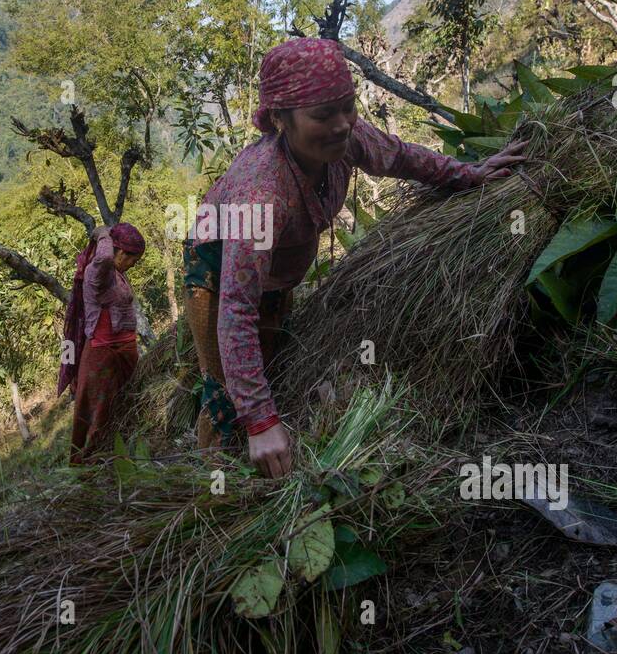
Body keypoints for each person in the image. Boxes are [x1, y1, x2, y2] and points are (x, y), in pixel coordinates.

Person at [183, 37, 527, 479]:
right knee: (225, 389)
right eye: (323, 114)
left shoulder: (347, 139)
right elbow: (235, 309)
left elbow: (403, 158)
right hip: (215, 269)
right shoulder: (260, 194)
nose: (342, 124)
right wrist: (262, 421)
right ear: (280, 120)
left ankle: (258, 460)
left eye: (348, 106)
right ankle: (211, 478)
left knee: (268, 358)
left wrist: (471, 174)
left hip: (274, 272)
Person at [58, 222, 147, 463]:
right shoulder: (96, 271)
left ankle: (120, 455)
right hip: (103, 352)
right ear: (119, 251)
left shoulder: (118, 276)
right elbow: (105, 257)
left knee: (126, 403)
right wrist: (103, 234)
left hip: (124, 350)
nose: (132, 265)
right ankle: (89, 464)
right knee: (98, 413)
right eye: (131, 259)